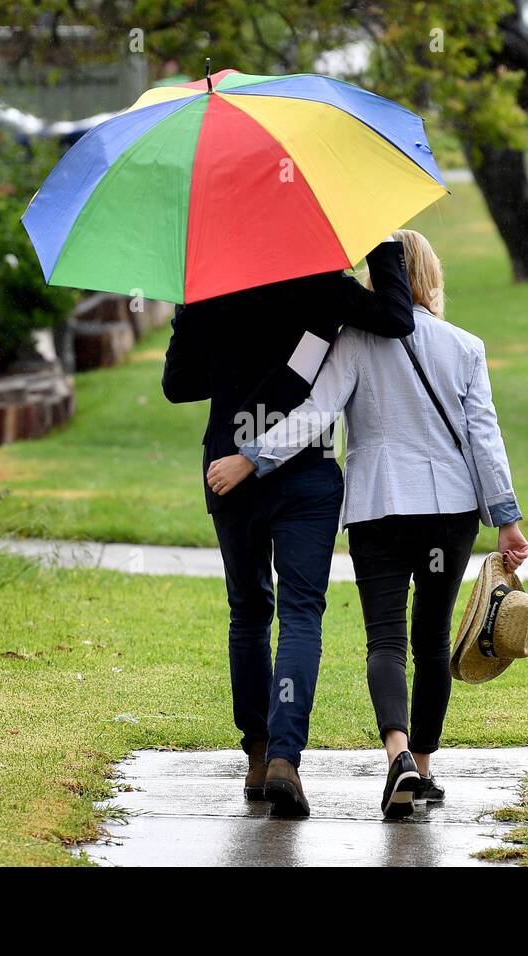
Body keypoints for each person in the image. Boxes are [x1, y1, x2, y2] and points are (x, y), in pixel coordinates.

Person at [206, 229, 528, 820]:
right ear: (429, 276)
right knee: (432, 641)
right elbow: (484, 435)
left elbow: (315, 413)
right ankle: (423, 770)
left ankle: (398, 753)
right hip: (449, 509)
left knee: (385, 638)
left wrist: (253, 457)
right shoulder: (466, 346)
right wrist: (505, 517)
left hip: (378, 507)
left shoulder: (353, 342)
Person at [162, 239, 415, 818]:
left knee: (248, 611)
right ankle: (284, 760)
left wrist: (188, 308)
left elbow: (179, 385)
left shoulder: (211, 282)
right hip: (305, 472)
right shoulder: (318, 276)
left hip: (229, 471)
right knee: (301, 612)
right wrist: (383, 242)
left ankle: (256, 755)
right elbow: (397, 318)